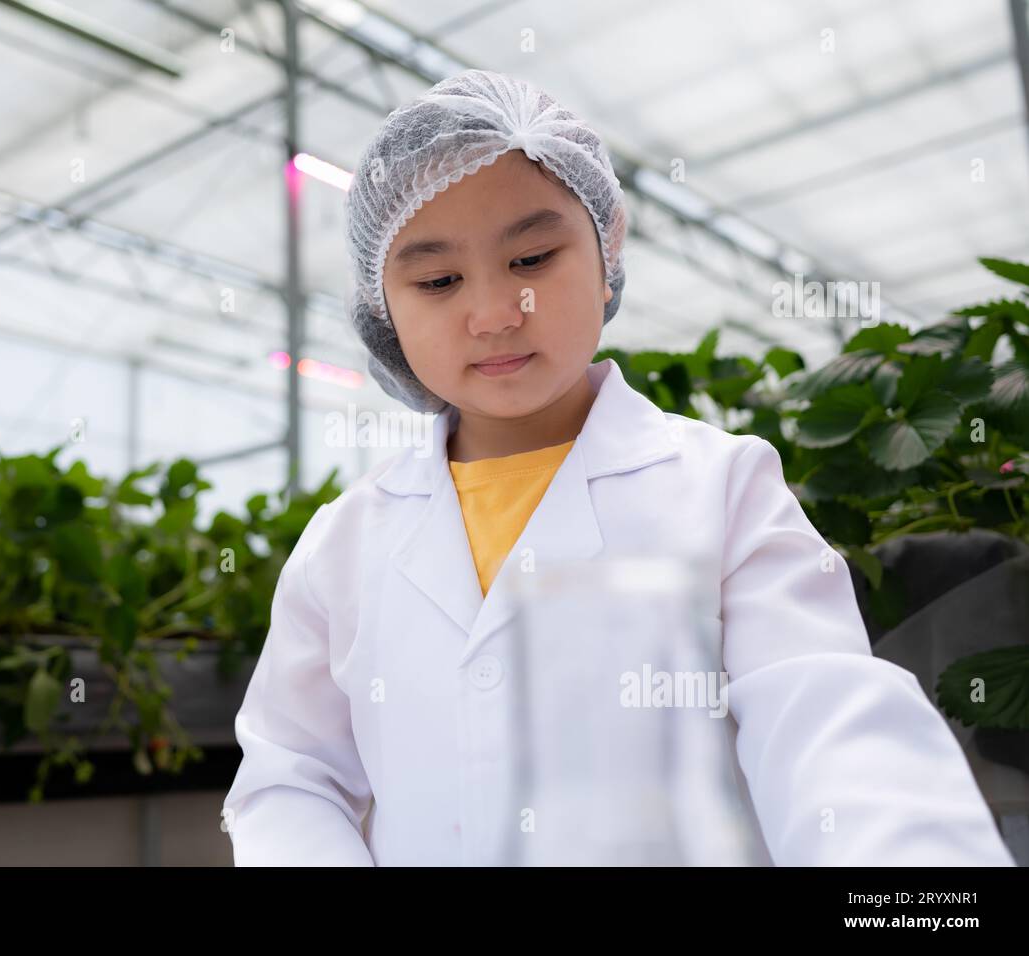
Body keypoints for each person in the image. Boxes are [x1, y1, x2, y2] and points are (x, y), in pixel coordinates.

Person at [221, 69, 1015, 866]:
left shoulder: (722, 488)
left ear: (606, 252)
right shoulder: (346, 544)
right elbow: (291, 779)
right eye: (437, 280)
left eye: (532, 257)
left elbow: (826, 721)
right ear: (382, 308)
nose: (497, 313)